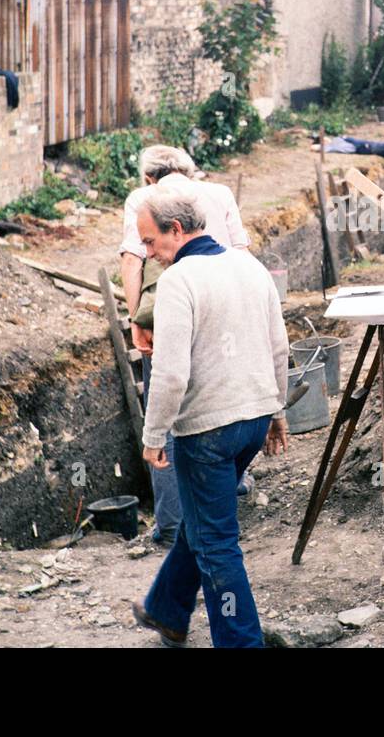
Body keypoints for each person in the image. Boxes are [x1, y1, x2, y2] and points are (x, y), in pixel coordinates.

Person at [130, 189, 289, 648]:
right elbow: (279, 347)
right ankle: (167, 611)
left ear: (175, 230)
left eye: (150, 241)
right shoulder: (249, 266)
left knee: (217, 544)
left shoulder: (180, 280)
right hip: (252, 421)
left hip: (208, 431)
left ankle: (242, 642)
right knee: (205, 520)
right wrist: (277, 410)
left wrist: (154, 433)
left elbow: (171, 370)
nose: (147, 252)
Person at [119, 146, 253, 546]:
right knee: (224, 395)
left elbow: (132, 259)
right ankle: (232, 491)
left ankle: (174, 524)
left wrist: (138, 321)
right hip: (224, 308)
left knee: (168, 402)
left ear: (148, 178)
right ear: (190, 172)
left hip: (175, 309)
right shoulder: (221, 193)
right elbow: (242, 255)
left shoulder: (142, 200)